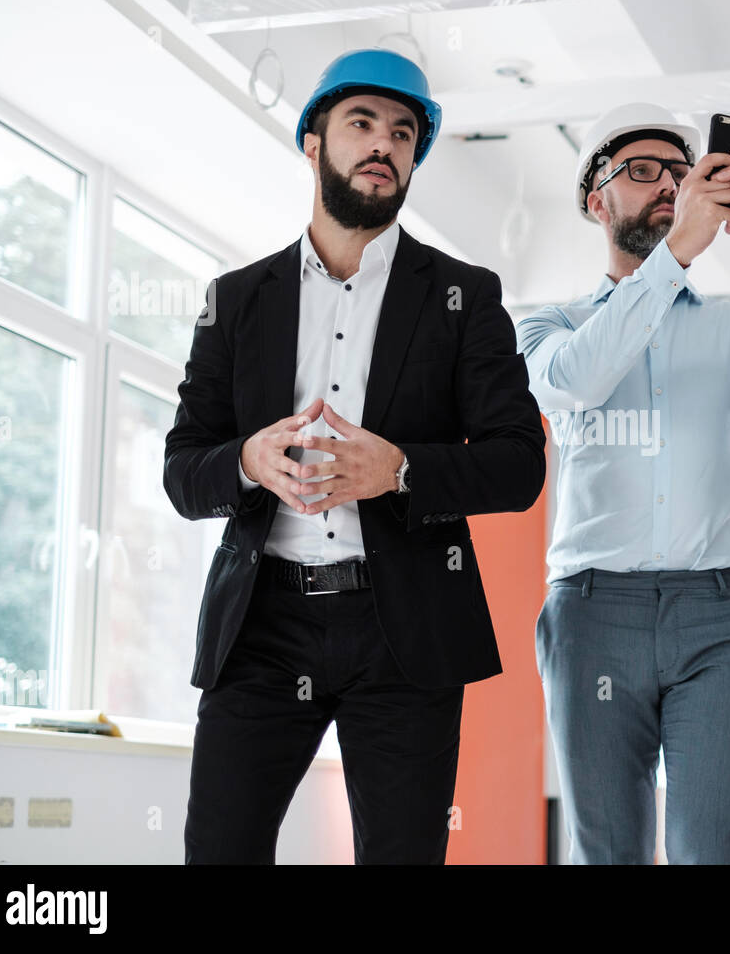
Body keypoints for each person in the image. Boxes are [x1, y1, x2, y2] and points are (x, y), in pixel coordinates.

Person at [163, 48, 545, 864]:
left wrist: (400, 470)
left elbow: (520, 464)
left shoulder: (464, 296)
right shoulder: (234, 301)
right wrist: (247, 462)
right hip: (260, 627)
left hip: (403, 626)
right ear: (313, 143)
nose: (384, 144)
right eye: (362, 123)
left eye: (403, 133)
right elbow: (183, 470)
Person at [517, 103, 730, 863]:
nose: (667, 185)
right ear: (597, 200)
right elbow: (577, 381)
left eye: (679, 173)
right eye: (642, 172)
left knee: (713, 850)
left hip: (720, 618)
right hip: (594, 617)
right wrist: (678, 255)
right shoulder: (548, 325)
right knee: (609, 852)